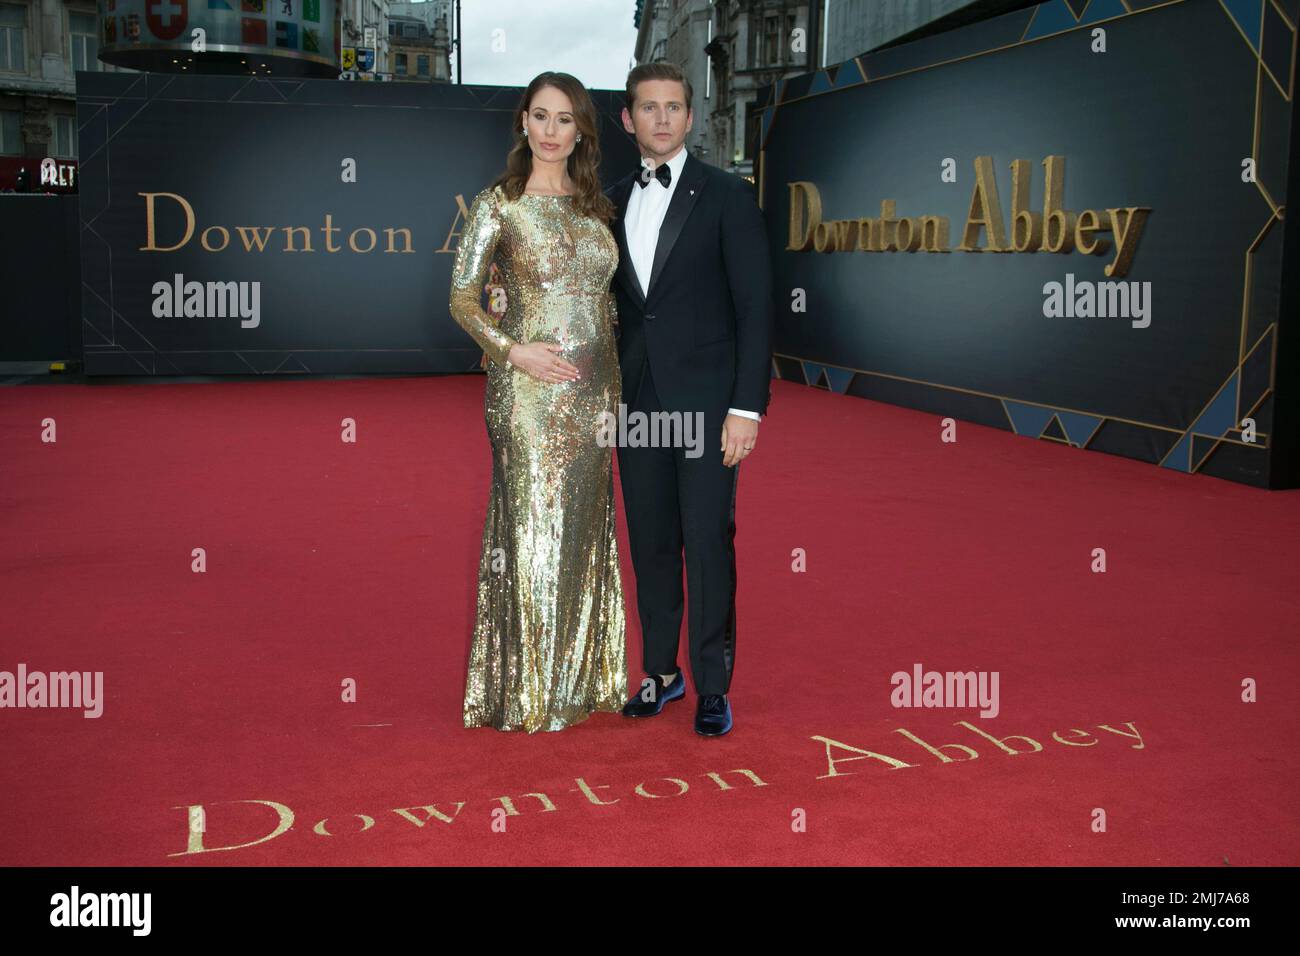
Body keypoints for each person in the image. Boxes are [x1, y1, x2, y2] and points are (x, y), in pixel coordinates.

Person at [449, 72, 627, 733]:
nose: (552, 131)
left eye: (565, 119)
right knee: (532, 532)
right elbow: (462, 299)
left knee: (582, 530)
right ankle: (528, 692)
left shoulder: (593, 204)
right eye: (541, 117)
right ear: (523, 122)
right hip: (527, 392)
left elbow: (604, 302)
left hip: (595, 393)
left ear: (582, 129)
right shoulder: (499, 204)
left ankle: (584, 681)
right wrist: (512, 350)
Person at [606, 62, 774, 736]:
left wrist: (747, 408)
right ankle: (660, 673)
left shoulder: (728, 197)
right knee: (650, 543)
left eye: (674, 106)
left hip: (709, 409)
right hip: (638, 403)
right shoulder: (610, 200)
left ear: (691, 116)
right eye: (649, 107)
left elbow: (756, 308)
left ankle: (711, 683)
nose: (663, 118)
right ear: (629, 119)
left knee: (707, 542)